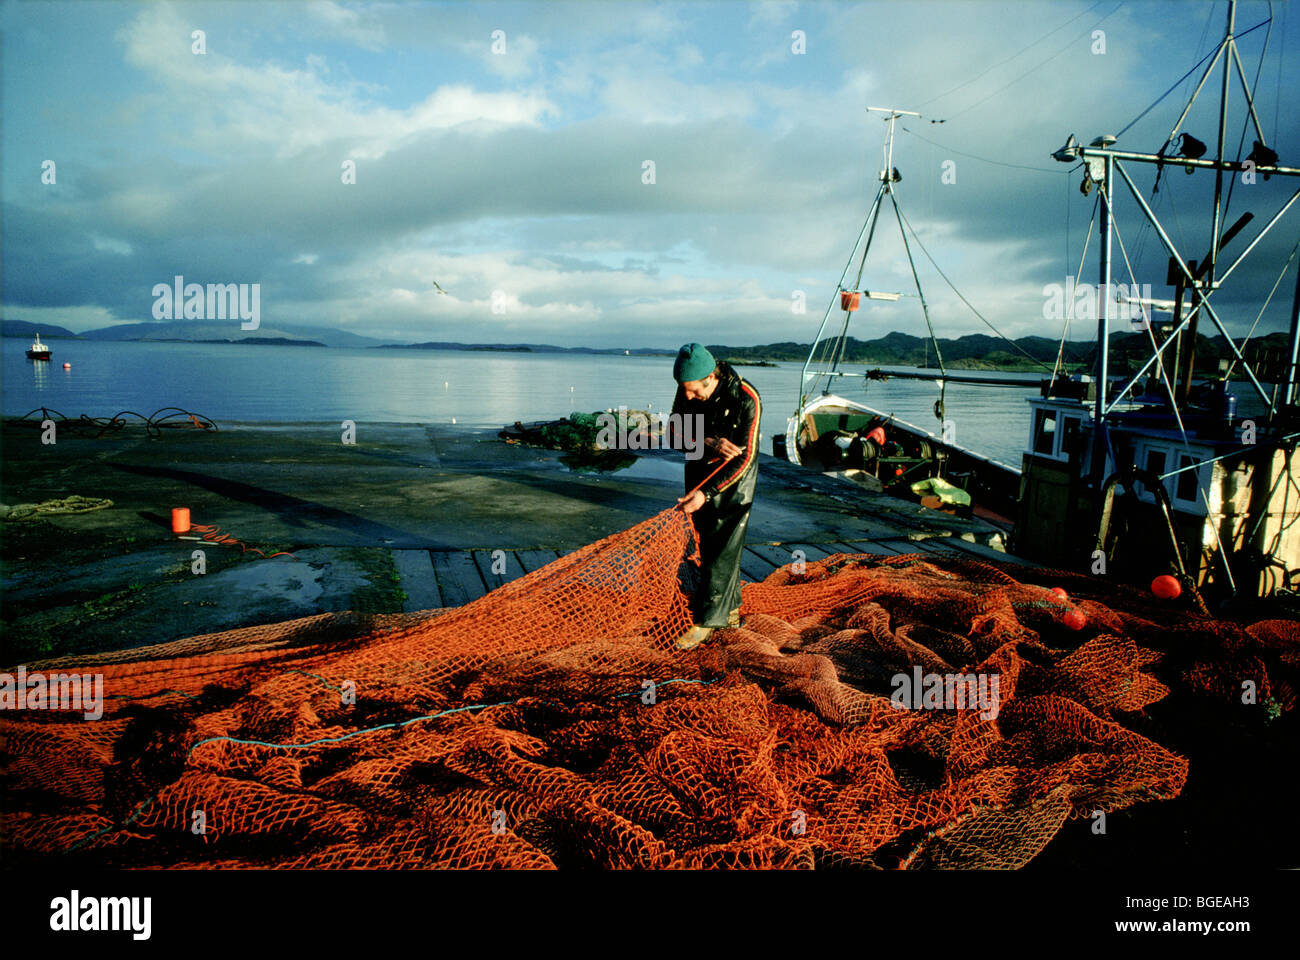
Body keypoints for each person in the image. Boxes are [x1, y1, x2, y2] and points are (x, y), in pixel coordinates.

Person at [667, 343, 762, 650]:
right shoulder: (687, 388)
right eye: (685, 391)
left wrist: (708, 494)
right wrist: (710, 441)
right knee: (706, 542)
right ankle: (730, 610)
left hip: (734, 482)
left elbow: (745, 458)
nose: (688, 396)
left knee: (723, 548)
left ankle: (708, 621)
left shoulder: (747, 398)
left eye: (694, 390)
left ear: (711, 376)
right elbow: (674, 432)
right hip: (698, 474)